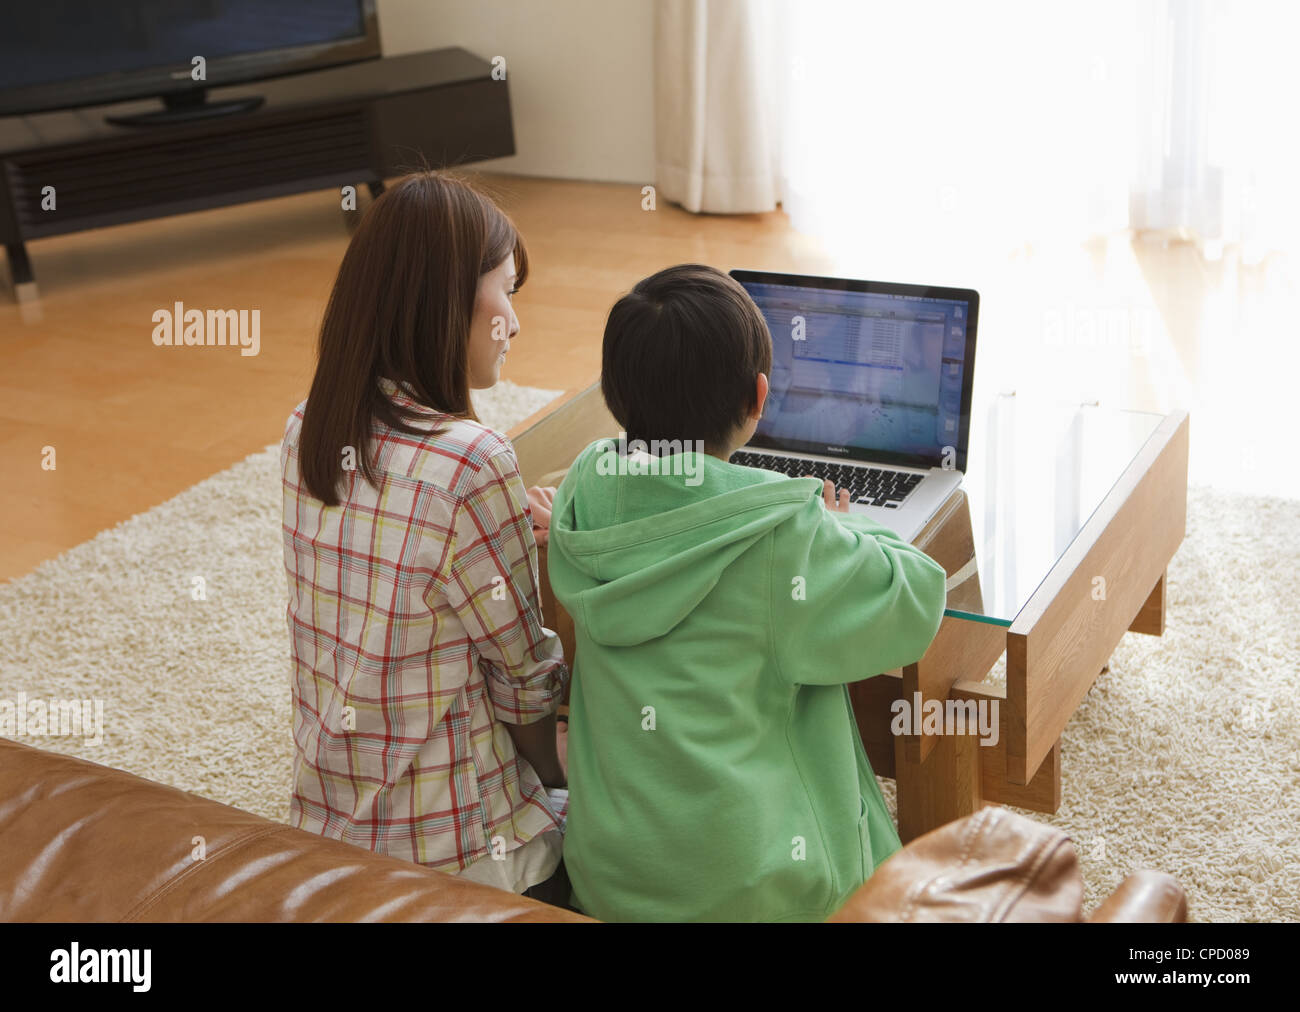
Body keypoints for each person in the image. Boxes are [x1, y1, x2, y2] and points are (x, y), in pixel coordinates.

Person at [546, 264, 948, 921]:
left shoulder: (583, 495)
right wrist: (849, 527)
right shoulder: (785, 536)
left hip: (611, 887)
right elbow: (915, 603)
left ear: (617, 395)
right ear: (758, 398)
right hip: (761, 899)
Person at [280, 170, 570, 900]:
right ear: (444, 301)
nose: (514, 320)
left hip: (330, 837)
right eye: (505, 290)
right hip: (462, 857)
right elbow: (524, 684)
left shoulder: (307, 425)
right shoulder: (470, 462)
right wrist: (571, 766)